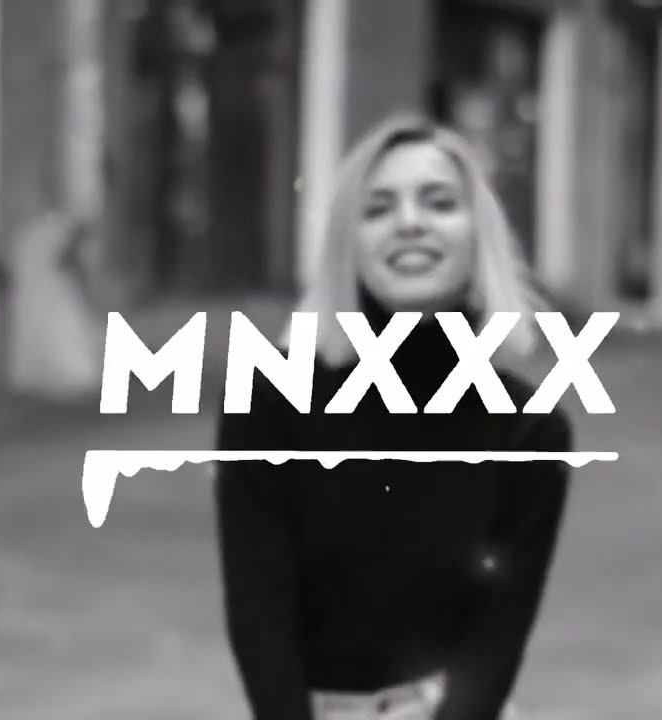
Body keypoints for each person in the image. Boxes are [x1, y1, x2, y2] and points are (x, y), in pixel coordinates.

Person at [215, 113, 572, 720]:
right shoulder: (269, 399)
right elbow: (259, 622)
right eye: (377, 208)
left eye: (439, 202)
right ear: (347, 245)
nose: (409, 223)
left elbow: (495, 643)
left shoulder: (530, 430)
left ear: (478, 235)